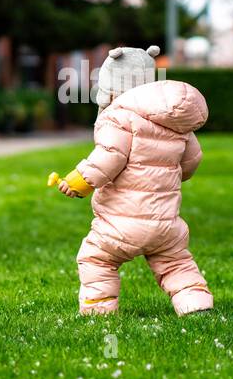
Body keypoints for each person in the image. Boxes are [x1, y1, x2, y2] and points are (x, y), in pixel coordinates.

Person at [47, 44, 213, 317]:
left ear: (111, 87)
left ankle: (98, 308)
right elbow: (192, 162)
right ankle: (195, 303)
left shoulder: (117, 116)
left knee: (96, 258)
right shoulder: (175, 122)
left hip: (120, 225)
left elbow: (108, 158)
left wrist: (78, 182)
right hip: (165, 223)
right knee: (175, 263)